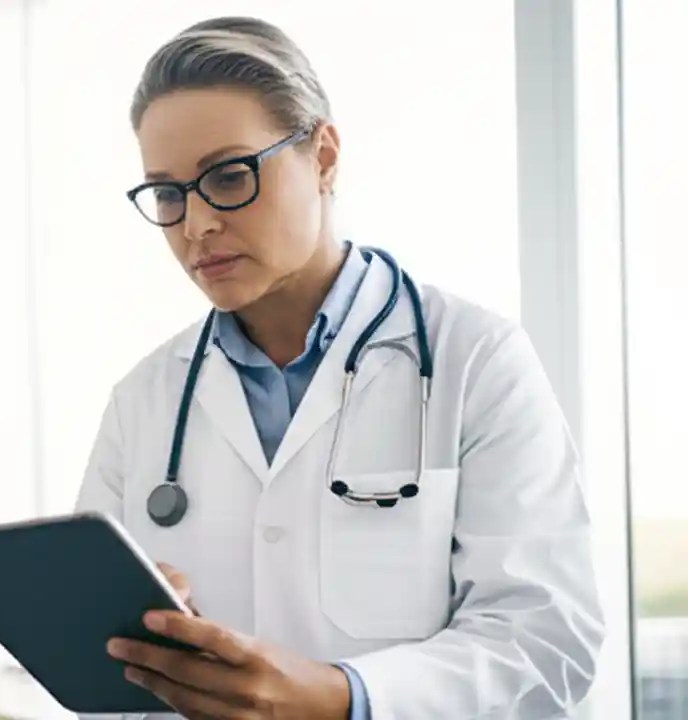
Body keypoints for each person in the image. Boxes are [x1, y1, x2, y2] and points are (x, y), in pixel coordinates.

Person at [77, 16, 605, 719]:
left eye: (229, 176)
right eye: (169, 194)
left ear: (323, 156)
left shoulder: (474, 359)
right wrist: (135, 637)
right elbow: (90, 665)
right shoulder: (144, 401)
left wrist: (340, 699)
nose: (197, 224)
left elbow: (545, 643)